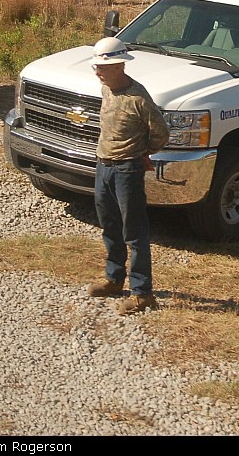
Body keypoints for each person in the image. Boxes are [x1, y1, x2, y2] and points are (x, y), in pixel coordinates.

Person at [86, 37, 170, 315]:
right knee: (109, 225)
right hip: (104, 166)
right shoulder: (106, 89)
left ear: (120, 66)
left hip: (126, 170)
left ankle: (142, 293)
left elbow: (161, 132)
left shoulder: (138, 98)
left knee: (134, 233)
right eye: (96, 66)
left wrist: (142, 152)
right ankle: (113, 279)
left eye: (103, 67)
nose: (98, 71)